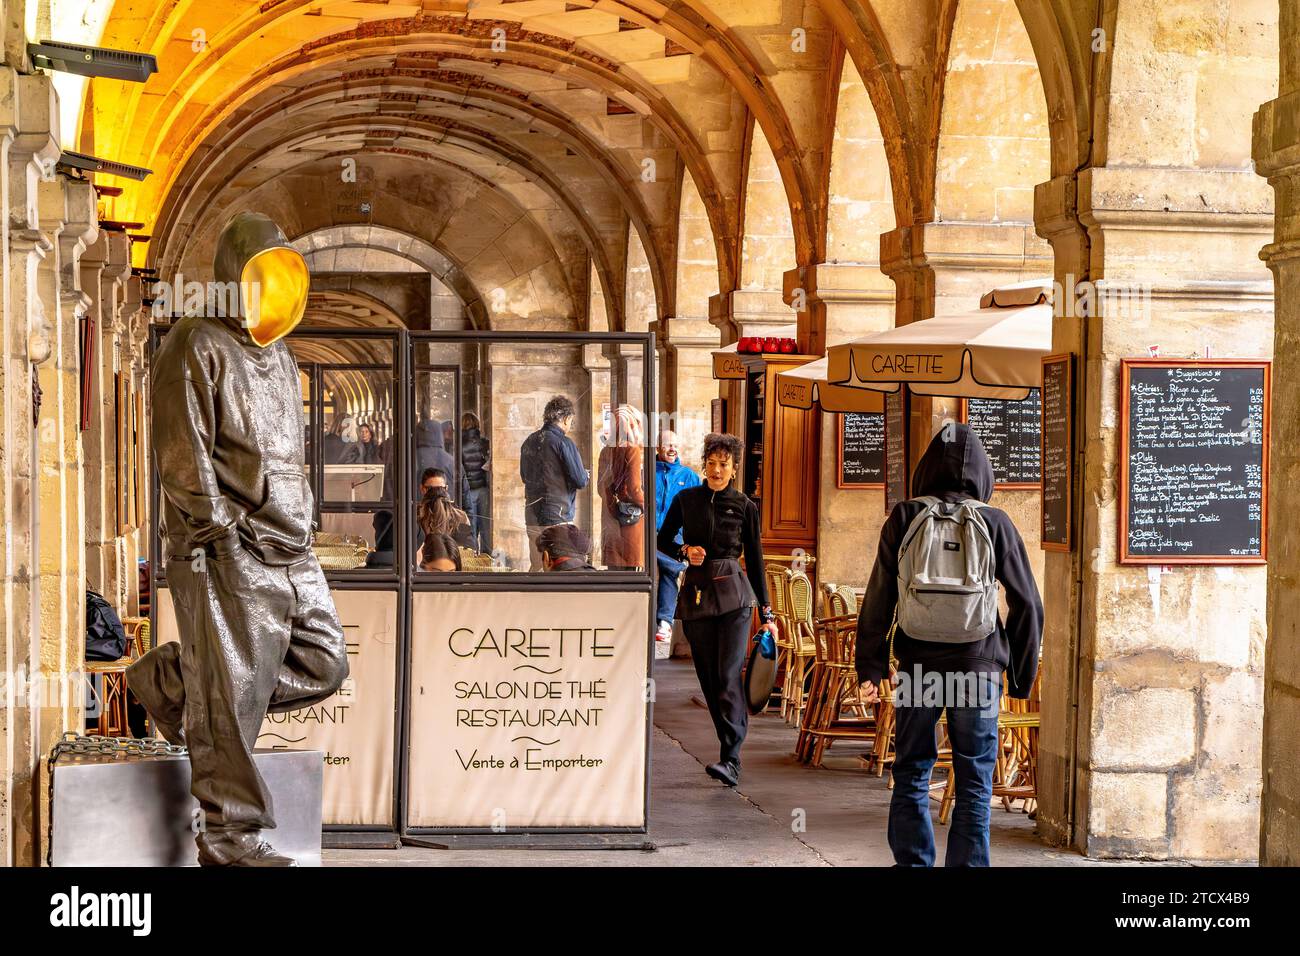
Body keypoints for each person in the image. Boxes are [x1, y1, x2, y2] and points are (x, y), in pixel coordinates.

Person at [126, 212, 348, 867]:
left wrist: (302, 519)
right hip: (225, 546)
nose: (271, 291)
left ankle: (172, 682)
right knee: (234, 689)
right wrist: (215, 529)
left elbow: (289, 450)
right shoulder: (194, 343)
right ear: (232, 277)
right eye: (258, 275)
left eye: (282, 277)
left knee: (324, 664)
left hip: (290, 548)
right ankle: (228, 836)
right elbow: (180, 451)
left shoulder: (280, 354)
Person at [856, 423, 1043, 868]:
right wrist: (1019, 675)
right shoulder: (996, 522)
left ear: (925, 468)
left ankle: (913, 863)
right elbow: (1028, 604)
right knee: (975, 779)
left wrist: (871, 665)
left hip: (918, 666)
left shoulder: (903, 516)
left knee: (912, 772)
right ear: (983, 471)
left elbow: (879, 596)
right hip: (978, 668)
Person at [656, 433, 773, 788]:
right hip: (696, 596)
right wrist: (684, 551)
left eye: (724, 464)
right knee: (708, 679)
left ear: (734, 469)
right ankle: (727, 750)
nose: (717, 469)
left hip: (735, 598)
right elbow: (662, 539)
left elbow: (754, 559)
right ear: (704, 464)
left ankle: (731, 758)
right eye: (712, 463)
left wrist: (767, 612)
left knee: (726, 673)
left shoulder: (744, 506)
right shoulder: (685, 498)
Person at [519, 395, 589, 571]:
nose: (570, 425)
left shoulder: (528, 441)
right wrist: (585, 475)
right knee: (559, 566)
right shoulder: (563, 443)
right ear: (565, 418)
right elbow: (580, 480)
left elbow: (524, 476)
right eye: (570, 421)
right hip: (557, 515)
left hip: (532, 514)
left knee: (537, 565)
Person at [653, 428, 700, 645]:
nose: (672, 449)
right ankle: (663, 622)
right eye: (667, 445)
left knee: (666, 572)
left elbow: (699, 512)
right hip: (649, 535)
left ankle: (664, 623)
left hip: (674, 539)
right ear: (657, 447)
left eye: (674, 445)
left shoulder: (688, 476)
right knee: (668, 568)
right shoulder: (647, 472)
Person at [597, 405, 645, 571]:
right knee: (632, 579)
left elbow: (600, 488)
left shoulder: (605, 451)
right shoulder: (632, 450)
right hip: (629, 523)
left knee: (614, 577)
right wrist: (648, 506)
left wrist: (612, 506)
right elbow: (634, 489)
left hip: (611, 524)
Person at [417, 467, 473, 554]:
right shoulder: (415, 516)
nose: (436, 494)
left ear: (446, 488)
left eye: (440, 489)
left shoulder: (460, 517)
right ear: (422, 489)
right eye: (431, 490)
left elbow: (466, 550)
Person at [460, 411, 491, 553]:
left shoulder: (458, 444)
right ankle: (487, 557)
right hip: (483, 488)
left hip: (468, 489)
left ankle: (471, 555)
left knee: (471, 524)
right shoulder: (484, 442)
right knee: (485, 525)